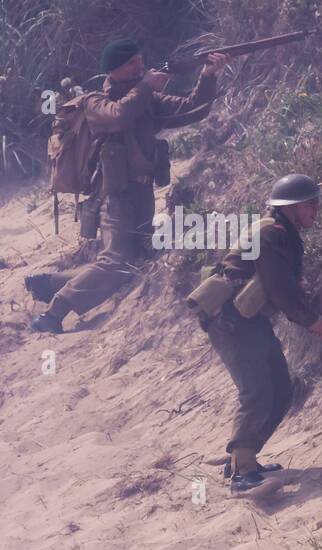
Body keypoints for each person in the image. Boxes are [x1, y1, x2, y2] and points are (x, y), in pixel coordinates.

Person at [28, 38, 227, 333]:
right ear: (114, 70)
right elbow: (119, 117)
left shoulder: (145, 100)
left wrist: (208, 75)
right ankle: (54, 312)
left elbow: (193, 108)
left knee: (135, 259)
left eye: (140, 60)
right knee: (116, 259)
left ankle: (49, 283)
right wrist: (146, 86)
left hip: (141, 193)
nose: (140, 66)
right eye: (132, 63)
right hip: (114, 195)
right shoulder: (95, 102)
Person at [200, 174, 322, 492]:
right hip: (231, 321)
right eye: (311, 204)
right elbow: (279, 288)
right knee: (257, 391)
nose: (316, 210)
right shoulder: (272, 234)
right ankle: (242, 474)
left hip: (249, 320)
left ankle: (242, 459)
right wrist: (310, 320)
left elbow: (279, 282)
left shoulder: (281, 232)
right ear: (292, 207)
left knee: (281, 389)